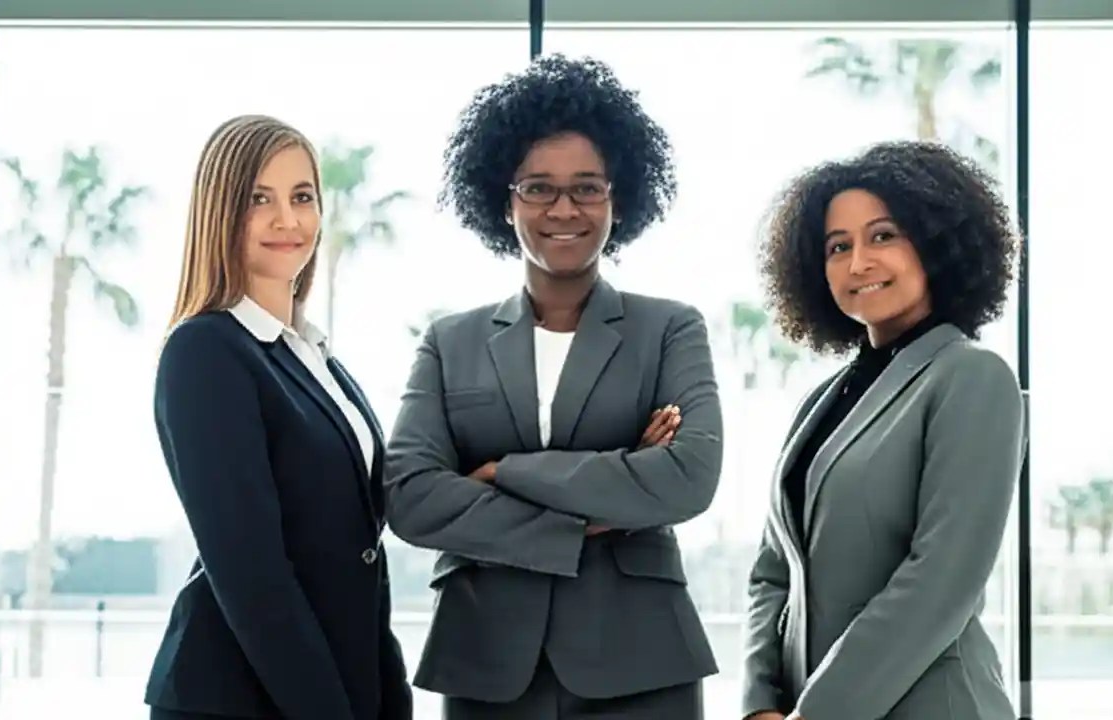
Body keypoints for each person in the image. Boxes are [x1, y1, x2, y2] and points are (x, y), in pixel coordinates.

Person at [384, 54, 722, 719]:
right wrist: (609, 494)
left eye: (587, 187)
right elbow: (410, 496)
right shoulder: (448, 342)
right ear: (503, 199)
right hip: (485, 665)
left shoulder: (669, 330)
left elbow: (689, 477)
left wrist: (500, 470)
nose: (563, 208)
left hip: (643, 664)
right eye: (538, 187)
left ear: (617, 197)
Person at [741, 140, 1024, 720]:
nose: (858, 263)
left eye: (883, 236)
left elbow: (939, 584)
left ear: (936, 243)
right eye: (837, 247)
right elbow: (773, 570)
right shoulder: (821, 402)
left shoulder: (972, 377)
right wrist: (760, 702)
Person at [145, 114, 411, 720]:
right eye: (259, 199)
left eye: (302, 197)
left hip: (337, 676)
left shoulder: (314, 357)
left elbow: (358, 538)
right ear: (220, 213)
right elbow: (250, 571)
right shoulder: (206, 351)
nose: (287, 220)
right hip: (239, 697)